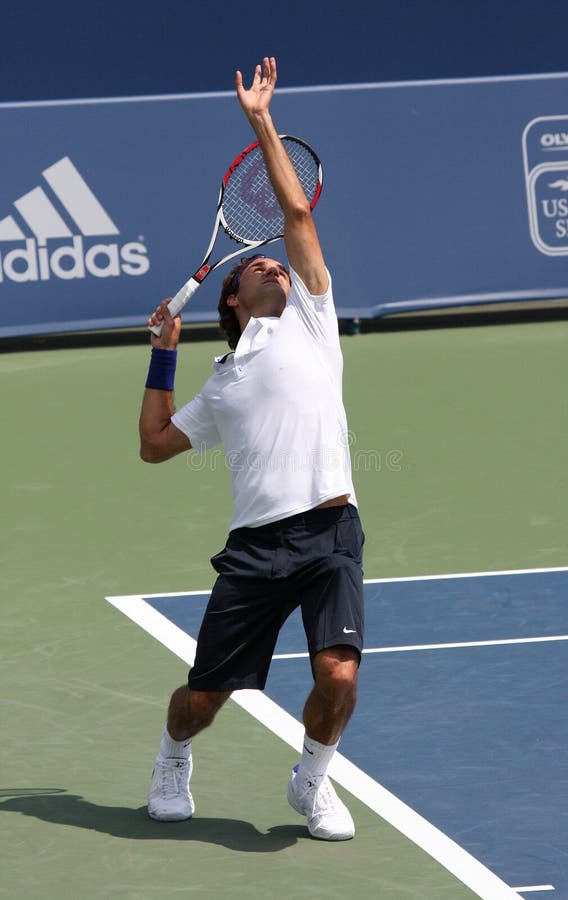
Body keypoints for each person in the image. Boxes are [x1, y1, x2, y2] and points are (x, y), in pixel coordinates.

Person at [139, 57, 365, 841]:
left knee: (339, 676)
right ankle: (172, 756)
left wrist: (261, 121)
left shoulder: (311, 318)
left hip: (331, 528)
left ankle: (313, 779)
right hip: (256, 549)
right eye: (258, 266)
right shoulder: (223, 382)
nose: (276, 262)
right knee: (203, 700)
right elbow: (157, 444)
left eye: (279, 263)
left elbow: (297, 218)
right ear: (231, 300)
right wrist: (162, 356)